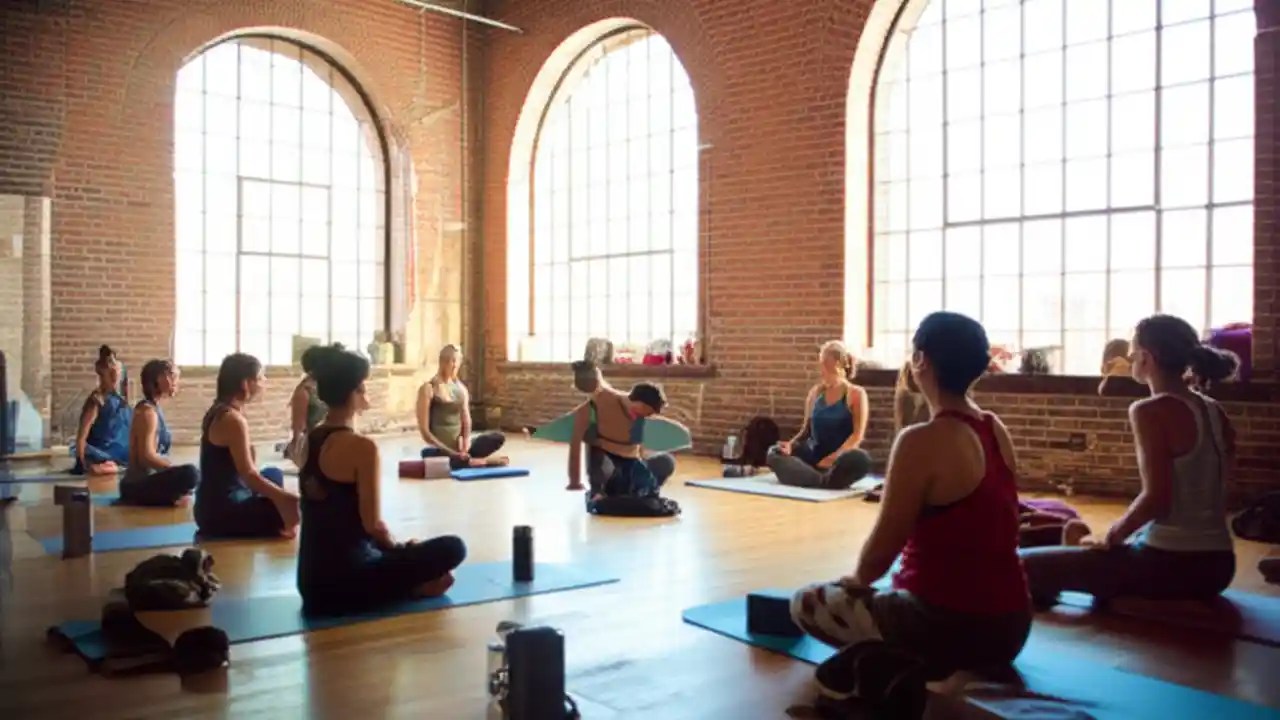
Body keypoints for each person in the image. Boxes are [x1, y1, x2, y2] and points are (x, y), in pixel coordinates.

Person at [790, 312, 1030, 712]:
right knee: (893, 600)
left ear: (921, 361)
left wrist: (854, 582)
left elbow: (883, 549)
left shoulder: (920, 440)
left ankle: (905, 662)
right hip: (1010, 628)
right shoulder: (994, 427)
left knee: (805, 601)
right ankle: (923, 662)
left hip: (945, 624)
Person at [1021, 314, 1238, 606]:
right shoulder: (1214, 411)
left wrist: (1112, 536)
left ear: (1146, 358)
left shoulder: (1149, 410)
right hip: (1220, 565)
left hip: (1170, 563)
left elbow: (1156, 500)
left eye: (1133, 353)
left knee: (1019, 567)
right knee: (1077, 538)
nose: (1131, 358)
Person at [297, 345, 466, 614]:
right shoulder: (362, 448)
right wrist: (400, 550)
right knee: (454, 548)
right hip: (348, 583)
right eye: (363, 386)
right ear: (355, 393)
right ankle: (413, 589)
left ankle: (406, 583)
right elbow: (373, 526)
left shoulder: (310, 439)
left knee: (405, 553)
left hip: (310, 583)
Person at [194, 353, 299, 539]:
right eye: (259, 378)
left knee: (273, 473)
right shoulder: (232, 420)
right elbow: (249, 475)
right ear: (245, 383)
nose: (263, 382)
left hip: (215, 503)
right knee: (290, 506)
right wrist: (284, 499)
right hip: (220, 513)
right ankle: (278, 523)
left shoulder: (221, 409)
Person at [566, 361, 681, 499]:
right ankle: (603, 492)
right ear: (640, 403)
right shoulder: (601, 402)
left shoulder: (638, 417)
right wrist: (576, 482)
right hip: (609, 468)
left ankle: (637, 491)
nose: (646, 416)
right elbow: (598, 384)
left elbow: (639, 451)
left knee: (666, 462)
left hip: (629, 466)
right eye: (647, 412)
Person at [767, 341, 872, 489]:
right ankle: (823, 482)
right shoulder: (815, 393)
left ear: (837, 364)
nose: (821, 368)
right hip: (812, 457)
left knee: (861, 459)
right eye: (821, 363)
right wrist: (790, 445)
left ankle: (813, 478)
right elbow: (805, 431)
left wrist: (833, 457)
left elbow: (857, 436)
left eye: (825, 363)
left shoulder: (856, 394)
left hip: (838, 460)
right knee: (774, 453)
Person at [119, 360, 199, 506]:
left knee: (196, 473)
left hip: (149, 480)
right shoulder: (147, 412)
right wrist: (172, 469)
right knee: (191, 473)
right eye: (171, 376)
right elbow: (146, 457)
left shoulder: (154, 409)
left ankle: (172, 496)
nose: (175, 382)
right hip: (136, 486)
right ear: (157, 379)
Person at [415, 344, 508, 469]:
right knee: (430, 455)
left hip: (460, 449)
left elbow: (466, 420)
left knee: (497, 437)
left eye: (456, 361)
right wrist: (451, 452)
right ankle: (481, 462)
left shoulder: (461, 389)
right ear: (441, 362)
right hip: (440, 450)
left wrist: (465, 444)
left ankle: (466, 460)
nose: (453, 365)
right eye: (449, 361)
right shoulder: (428, 389)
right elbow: (425, 432)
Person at [71, 345, 132, 475]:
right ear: (102, 374)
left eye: (116, 373)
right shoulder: (97, 400)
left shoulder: (123, 403)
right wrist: (79, 462)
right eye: (110, 374)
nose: (114, 377)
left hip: (120, 452)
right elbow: (82, 434)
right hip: (100, 452)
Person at [284, 344, 337, 465]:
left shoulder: (328, 386)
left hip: (333, 440)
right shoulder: (304, 391)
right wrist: (297, 448)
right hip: (316, 444)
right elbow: (298, 426)